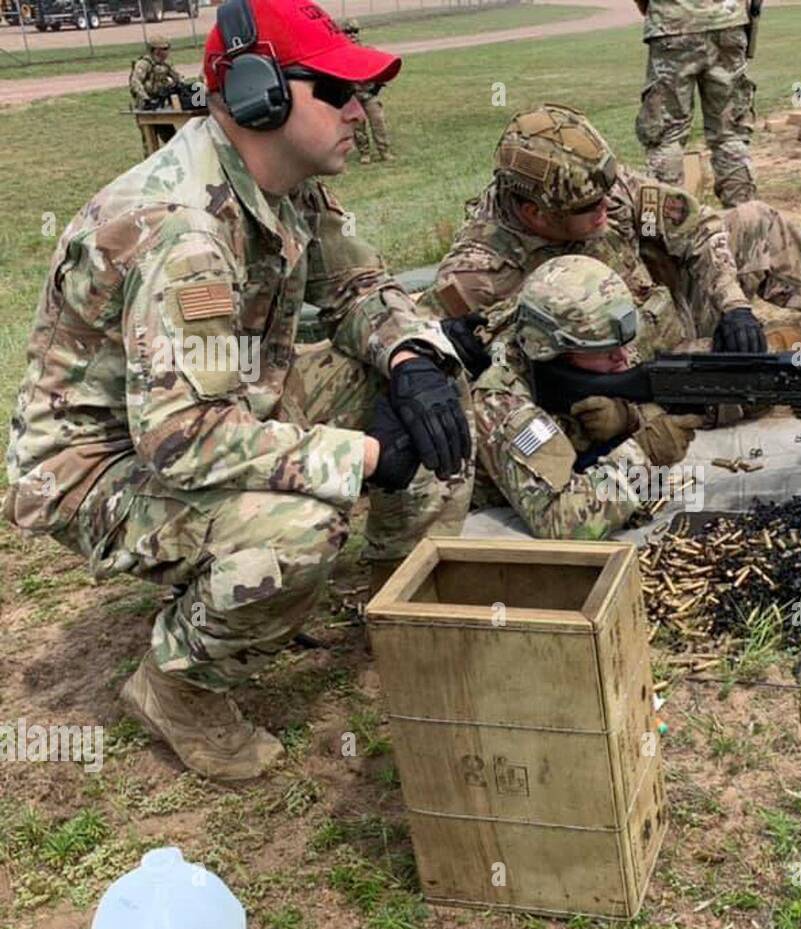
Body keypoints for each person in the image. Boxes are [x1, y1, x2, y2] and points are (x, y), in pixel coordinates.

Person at [4, 0, 476, 782]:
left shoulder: (284, 182)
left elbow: (357, 284)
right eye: (334, 89)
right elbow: (180, 438)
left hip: (209, 410)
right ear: (260, 94)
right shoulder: (180, 230)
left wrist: (410, 360)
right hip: (98, 468)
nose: (359, 109)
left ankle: (393, 601)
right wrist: (359, 454)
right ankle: (177, 688)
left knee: (430, 397)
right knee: (299, 526)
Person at [434, 104, 801, 357]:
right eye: (590, 209)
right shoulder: (479, 273)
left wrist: (733, 306)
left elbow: (697, 224)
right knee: (743, 379)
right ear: (534, 215)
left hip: (672, 309)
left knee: (753, 221)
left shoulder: (596, 186)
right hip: (629, 363)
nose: (607, 210)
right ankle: (766, 349)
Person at [473, 255, 701, 539]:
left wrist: (626, 419)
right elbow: (562, 523)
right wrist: (643, 454)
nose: (622, 357)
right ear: (551, 350)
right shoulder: (502, 400)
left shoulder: (595, 342)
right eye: (605, 351)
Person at [634, 0, 757, 207]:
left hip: (672, 24)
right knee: (730, 134)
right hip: (728, 23)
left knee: (667, 137)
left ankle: (664, 226)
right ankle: (744, 219)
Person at [341, 19, 394, 163]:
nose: (352, 35)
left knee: (378, 122)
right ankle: (365, 153)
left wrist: (376, 87)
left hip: (370, 94)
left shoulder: (368, 51)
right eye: (348, 32)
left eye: (355, 31)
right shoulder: (341, 56)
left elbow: (381, 69)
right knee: (358, 127)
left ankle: (384, 151)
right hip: (353, 96)